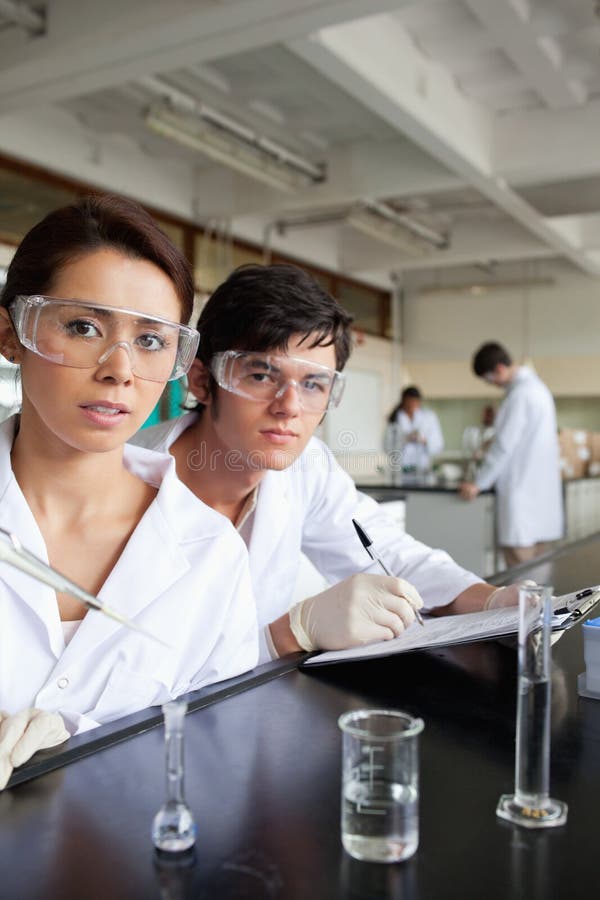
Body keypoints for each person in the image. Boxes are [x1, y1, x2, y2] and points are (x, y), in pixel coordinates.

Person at [132, 263, 522, 662]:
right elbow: (127, 674)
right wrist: (288, 635)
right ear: (201, 381)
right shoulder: (119, 480)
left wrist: (495, 602)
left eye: (313, 384)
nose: (290, 407)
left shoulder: (307, 466)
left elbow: (388, 553)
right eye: (262, 375)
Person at [0, 195, 258, 789]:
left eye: (149, 340)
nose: (119, 369)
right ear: (13, 334)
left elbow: (225, 763)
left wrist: (96, 752)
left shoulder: (209, 554)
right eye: (83, 327)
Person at [459, 342, 564, 568]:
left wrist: (478, 483)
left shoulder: (519, 395)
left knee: (521, 577)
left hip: (522, 498)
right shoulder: (539, 389)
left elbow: (504, 447)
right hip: (539, 499)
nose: (492, 384)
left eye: (489, 379)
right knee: (540, 577)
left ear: (498, 369)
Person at [384, 386, 444, 472]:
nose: (411, 405)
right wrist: (405, 439)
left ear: (419, 402)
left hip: (422, 469)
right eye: (408, 402)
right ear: (403, 401)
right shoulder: (395, 418)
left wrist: (424, 441)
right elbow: (386, 446)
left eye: (414, 402)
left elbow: (438, 444)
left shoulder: (429, 417)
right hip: (400, 469)